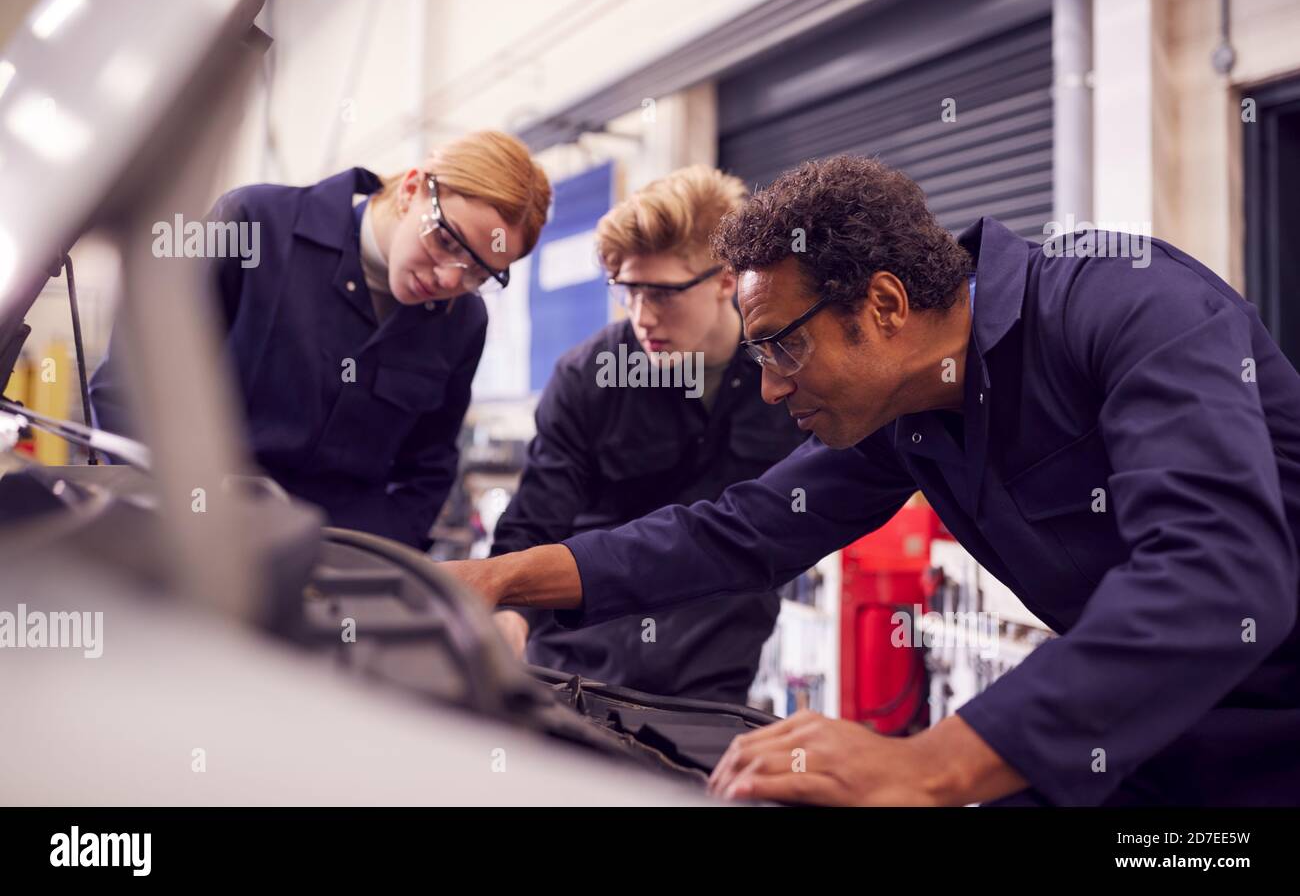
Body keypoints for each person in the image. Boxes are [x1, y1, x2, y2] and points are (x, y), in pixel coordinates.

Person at [441, 154, 1300, 806]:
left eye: (783, 344)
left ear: (885, 305)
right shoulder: (910, 416)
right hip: (1144, 739)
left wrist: (929, 762)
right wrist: (501, 579)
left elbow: (1216, 574)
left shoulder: (1129, 306)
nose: (771, 387)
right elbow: (740, 530)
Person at [91, 131, 551, 549]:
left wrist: (373, 552)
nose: (451, 276)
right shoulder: (256, 225)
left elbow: (428, 469)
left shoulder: (462, 322)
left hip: (337, 567)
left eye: (478, 272)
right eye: (448, 241)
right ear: (412, 188)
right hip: (194, 538)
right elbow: (131, 384)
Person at [491, 166, 805, 703]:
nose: (642, 318)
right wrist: (508, 618)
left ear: (725, 279)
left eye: (661, 294)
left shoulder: (789, 373)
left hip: (715, 674)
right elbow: (536, 519)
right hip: (579, 665)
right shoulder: (588, 376)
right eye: (627, 293)